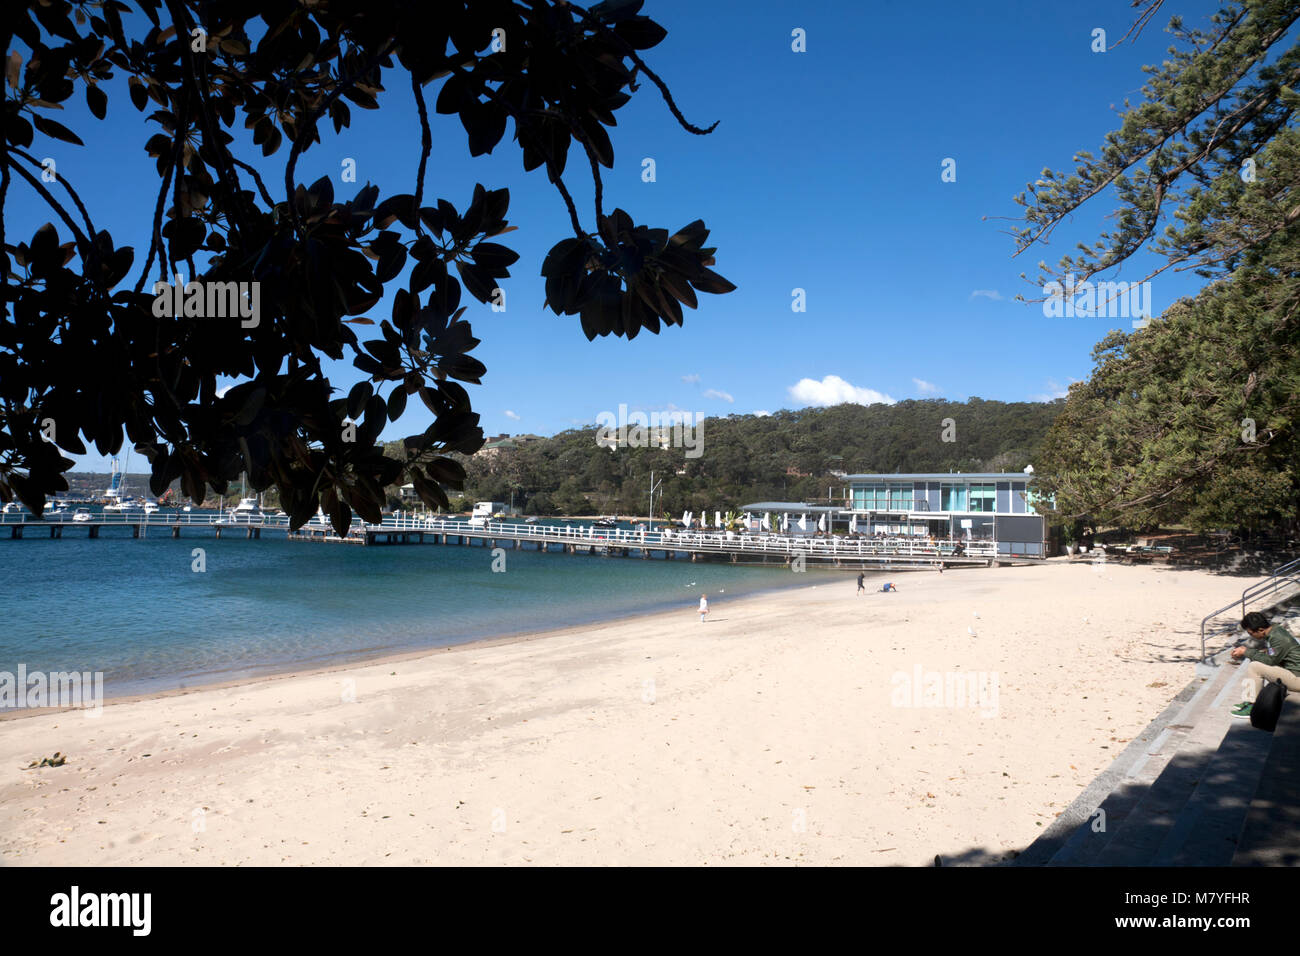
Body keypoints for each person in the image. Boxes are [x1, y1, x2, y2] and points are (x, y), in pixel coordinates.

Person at [1230, 611, 1300, 718]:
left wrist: (1246, 652)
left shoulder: (1278, 638)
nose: (1251, 636)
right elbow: (1274, 653)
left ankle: (1253, 707)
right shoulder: (1275, 631)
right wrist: (1251, 652)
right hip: (1293, 672)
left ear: (1261, 630)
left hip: (1297, 678)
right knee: (1255, 660)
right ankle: (1249, 701)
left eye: (1250, 633)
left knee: (1255, 666)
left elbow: (1270, 661)